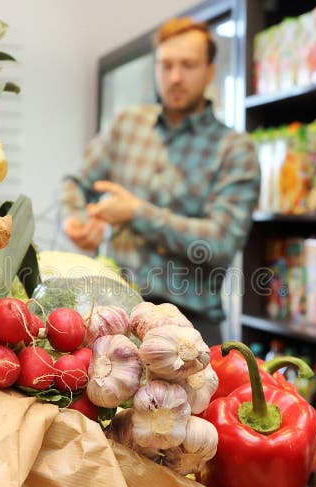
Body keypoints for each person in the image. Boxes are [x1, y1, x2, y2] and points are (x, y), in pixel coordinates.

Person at [60, 17, 260, 344]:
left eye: (188, 65)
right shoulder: (127, 125)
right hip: (115, 314)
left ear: (210, 71)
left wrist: (137, 213)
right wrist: (77, 220)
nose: (175, 77)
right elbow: (75, 181)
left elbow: (221, 242)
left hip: (191, 328)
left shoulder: (235, 150)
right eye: (166, 65)